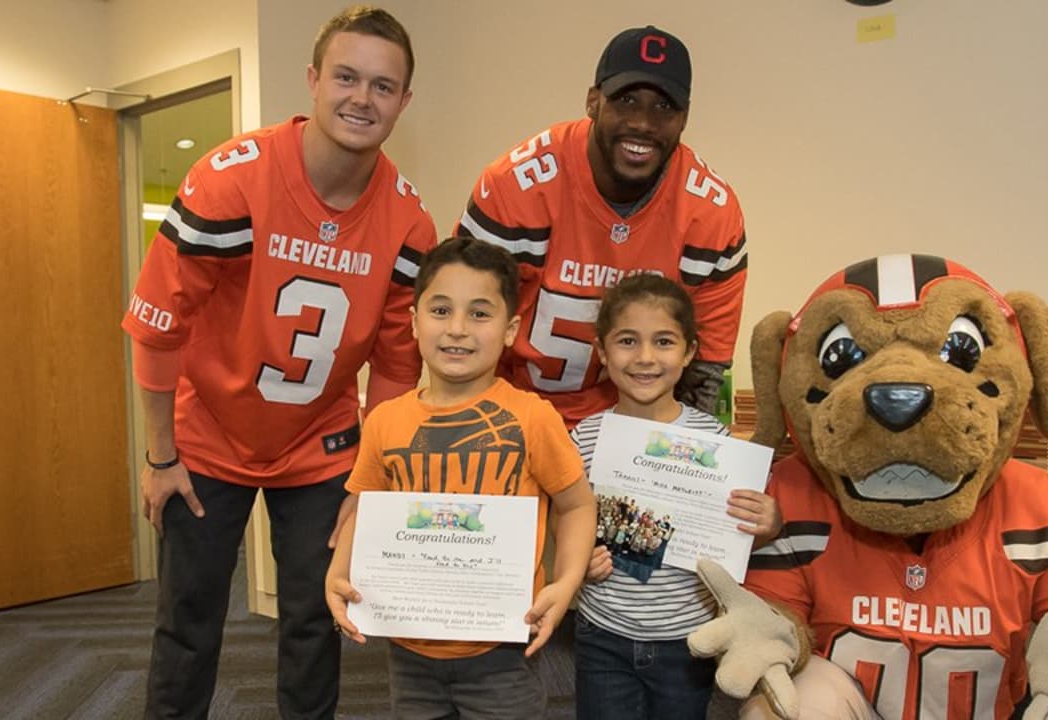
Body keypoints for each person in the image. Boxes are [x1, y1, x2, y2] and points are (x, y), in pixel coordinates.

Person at [120, 6, 436, 717]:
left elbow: (393, 363)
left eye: (383, 86)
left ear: (404, 102)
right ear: (313, 80)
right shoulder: (231, 181)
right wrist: (160, 454)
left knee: (313, 622)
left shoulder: (410, 221)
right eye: (347, 77)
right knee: (188, 622)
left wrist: (370, 478)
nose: (363, 98)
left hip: (319, 444)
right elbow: (156, 325)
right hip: (207, 435)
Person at [325, 238, 597, 719]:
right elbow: (366, 506)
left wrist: (567, 579)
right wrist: (337, 572)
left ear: (511, 329)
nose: (457, 329)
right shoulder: (385, 420)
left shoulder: (532, 418)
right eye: (441, 309)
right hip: (408, 649)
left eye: (479, 314)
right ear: (413, 321)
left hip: (503, 653)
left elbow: (576, 504)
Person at [455, 25, 747, 426]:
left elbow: (704, 371)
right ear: (593, 101)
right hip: (511, 421)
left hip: (633, 433)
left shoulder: (712, 214)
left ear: (685, 118)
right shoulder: (514, 187)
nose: (643, 123)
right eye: (626, 100)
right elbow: (462, 336)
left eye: (664, 107)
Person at [569, 274, 781, 720]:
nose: (645, 358)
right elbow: (564, 523)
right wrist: (576, 563)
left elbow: (736, 539)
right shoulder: (584, 438)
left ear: (689, 352)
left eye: (663, 342)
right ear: (603, 352)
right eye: (628, 341)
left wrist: (767, 524)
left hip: (688, 638)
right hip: (603, 632)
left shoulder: (717, 442)